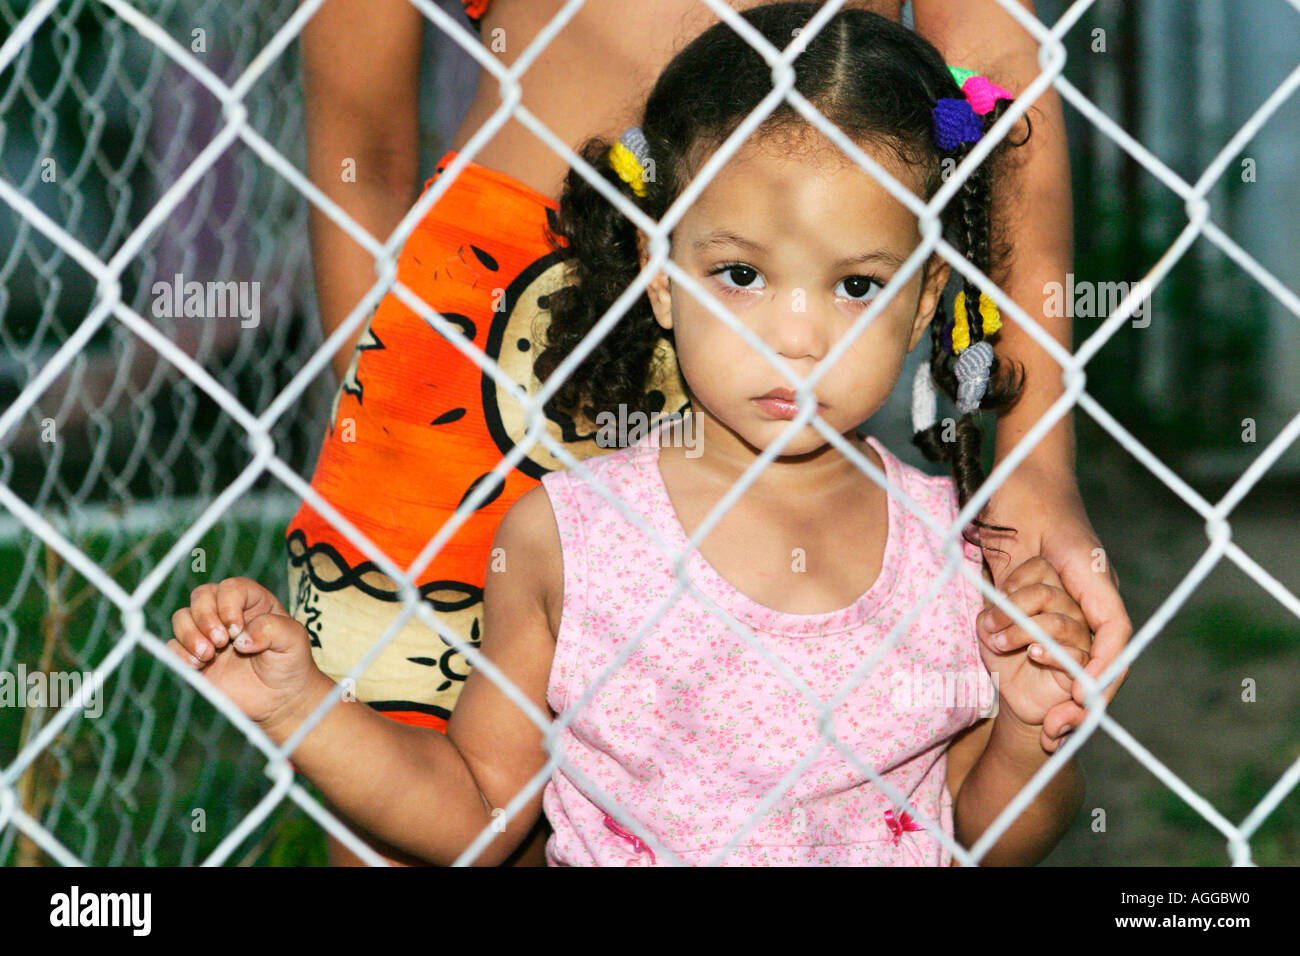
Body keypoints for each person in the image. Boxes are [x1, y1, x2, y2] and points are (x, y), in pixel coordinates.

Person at [174, 5, 1096, 865]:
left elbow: (997, 70)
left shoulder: (925, 535)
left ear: (919, 295)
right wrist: (379, 381)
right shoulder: (568, 514)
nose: (796, 333)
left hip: (813, 240)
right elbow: (359, 143)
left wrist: (1037, 453)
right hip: (483, 331)